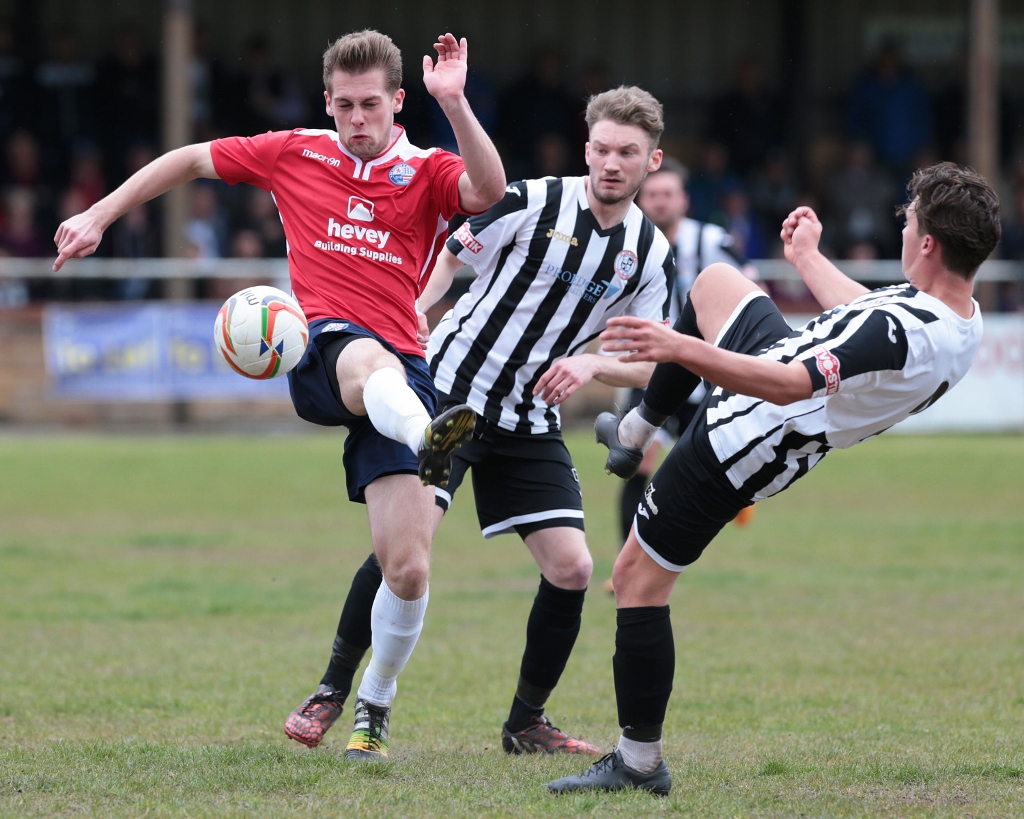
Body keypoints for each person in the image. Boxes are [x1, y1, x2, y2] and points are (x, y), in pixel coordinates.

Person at [52, 29, 506, 760]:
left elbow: (488, 191)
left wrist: (453, 102)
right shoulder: (297, 150)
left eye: (372, 105)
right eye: (345, 105)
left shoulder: (426, 169)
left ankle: (373, 705)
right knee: (362, 358)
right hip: (322, 346)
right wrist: (100, 214)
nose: (358, 119)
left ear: (397, 102)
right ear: (328, 103)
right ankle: (430, 438)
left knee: (408, 566)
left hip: (407, 371)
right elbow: (191, 158)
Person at [548, 161, 1000, 795]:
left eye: (910, 219)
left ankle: (638, 762)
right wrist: (809, 258)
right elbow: (868, 318)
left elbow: (791, 386)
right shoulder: (959, 316)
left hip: (746, 436)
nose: (902, 226)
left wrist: (676, 349)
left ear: (927, 243)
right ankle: (634, 433)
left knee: (635, 582)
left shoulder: (907, 330)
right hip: (778, 368)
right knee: (713, 283)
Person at [284, 85, 674, 760]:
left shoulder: (649, 252)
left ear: (652, 161)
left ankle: (526, 723)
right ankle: (333, 690)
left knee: (575, 567)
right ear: (588, 149)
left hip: (529, 420)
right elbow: (451, 256)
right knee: (405, 553)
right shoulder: (531, 200)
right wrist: (407, 316)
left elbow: (663, 361)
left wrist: (592, 366)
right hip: (453, 398)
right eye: (603, 149)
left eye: (628, 153)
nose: (613, 163)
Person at [612, 158, 754, 565]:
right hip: (651, 366)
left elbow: (748, 289)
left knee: (715, 458)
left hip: (704, 367)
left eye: (667, 194)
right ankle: (630, 560)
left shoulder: (709, 240)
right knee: (637, 458)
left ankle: (735, 497)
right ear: (642, 200)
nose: (660, 202)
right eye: (653, 194)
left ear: (684, 201)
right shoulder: (627, 242)